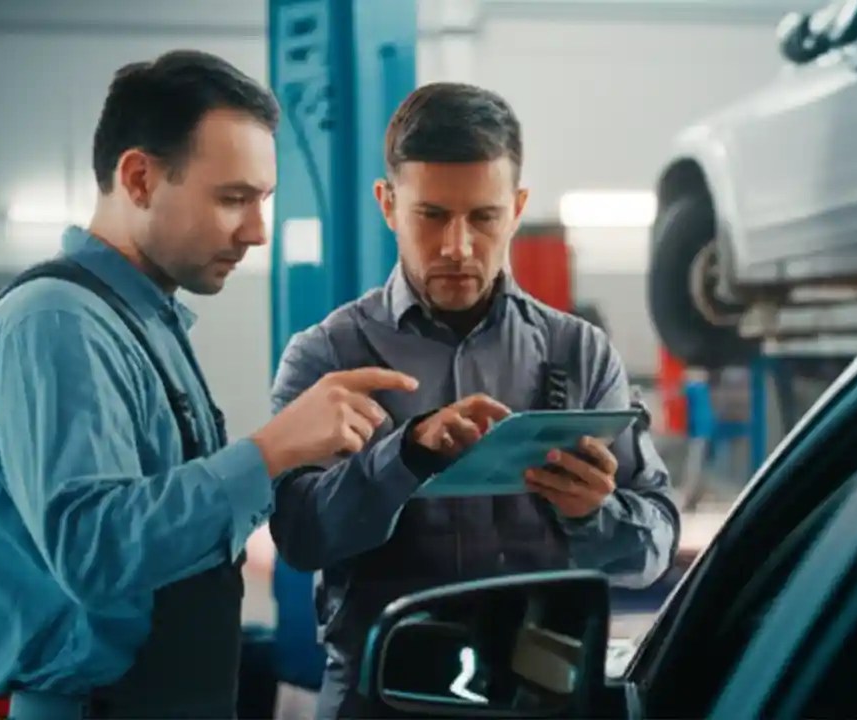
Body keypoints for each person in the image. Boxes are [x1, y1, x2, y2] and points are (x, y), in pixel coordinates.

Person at [0, 50, 418, 719]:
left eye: (262, 200)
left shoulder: (144, 321)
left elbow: (168, 518)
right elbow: (95, 551)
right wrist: (272, 450)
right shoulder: (58, 325)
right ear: (139, 178)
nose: (258, 232)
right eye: (233, 199)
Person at [268, 81, 681, 719]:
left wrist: (594, 513)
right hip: (377, 700)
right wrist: (404, 457)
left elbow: (652, 548)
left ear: (516, 208)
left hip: (537, 695)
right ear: (387, 203)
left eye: (483, 217)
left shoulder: (579, 353)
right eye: (431, 215)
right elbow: (298, 535)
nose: (458, 246)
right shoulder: (327, 356)